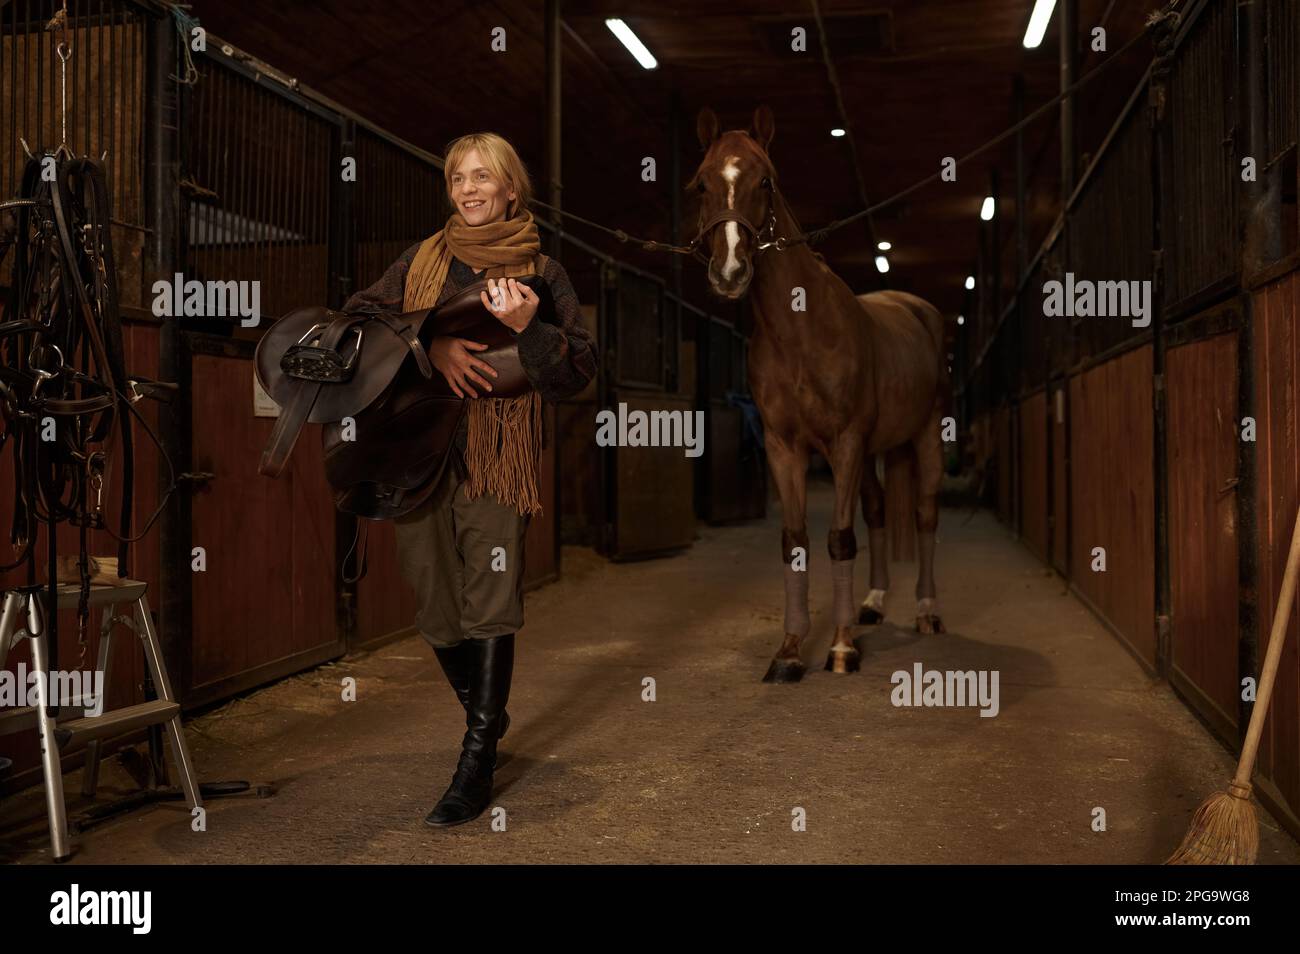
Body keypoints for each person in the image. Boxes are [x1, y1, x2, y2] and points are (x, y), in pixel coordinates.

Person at [342, 132, 596, 827]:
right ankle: (489, 713)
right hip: (419, 453)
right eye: (459, 178)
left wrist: (532, 326)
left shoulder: (544, 272)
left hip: (495, 452)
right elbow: (360, 317)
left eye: (484, 177)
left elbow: (575, 373)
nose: (470, 189)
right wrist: (429, 342)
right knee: (433, 602)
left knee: (490, 599)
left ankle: (476, 758)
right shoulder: (420, 259)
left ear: (511, 188)